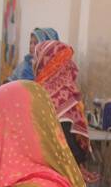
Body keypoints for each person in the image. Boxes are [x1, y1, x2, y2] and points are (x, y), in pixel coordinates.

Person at [32, 39, 94, 178]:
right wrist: (77, 166)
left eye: (35, 58)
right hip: (59, 171)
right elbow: (67, 138)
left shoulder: (38, 93)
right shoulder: (66, 95)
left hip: (43, 171)